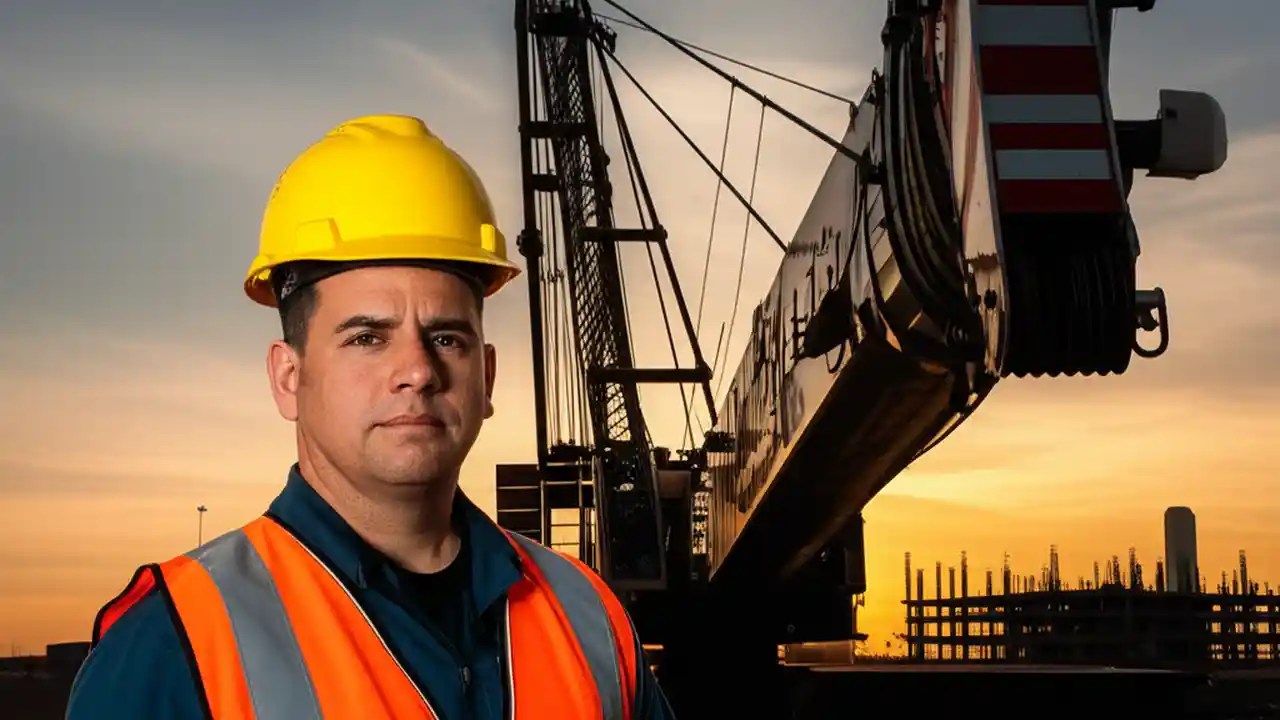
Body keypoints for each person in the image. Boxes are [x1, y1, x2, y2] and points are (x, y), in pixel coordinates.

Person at [65, 114, 676, 719]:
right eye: (366, 338)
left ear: (486, 377)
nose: (416, 370)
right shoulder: (177, 645)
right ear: (288, 378)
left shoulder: (587, 618)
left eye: (446, 338)